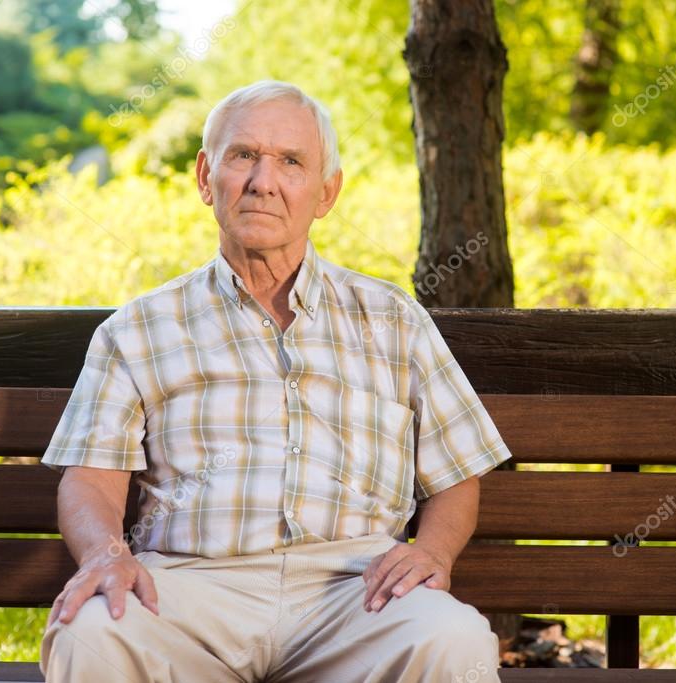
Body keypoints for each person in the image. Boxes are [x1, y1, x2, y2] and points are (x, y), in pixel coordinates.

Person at [38, 79, 512, 683]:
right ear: (206, 177)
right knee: (93, 634)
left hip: (355, 593)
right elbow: (91, 480)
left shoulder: (393, 319)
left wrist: (432, 552)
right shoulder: (138, 328)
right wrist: (106, 556)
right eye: (244, 156)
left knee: (452, 639)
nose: (264, 180)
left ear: (326, 192)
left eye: (291, 162)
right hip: (188, 591)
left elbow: (457, 476)